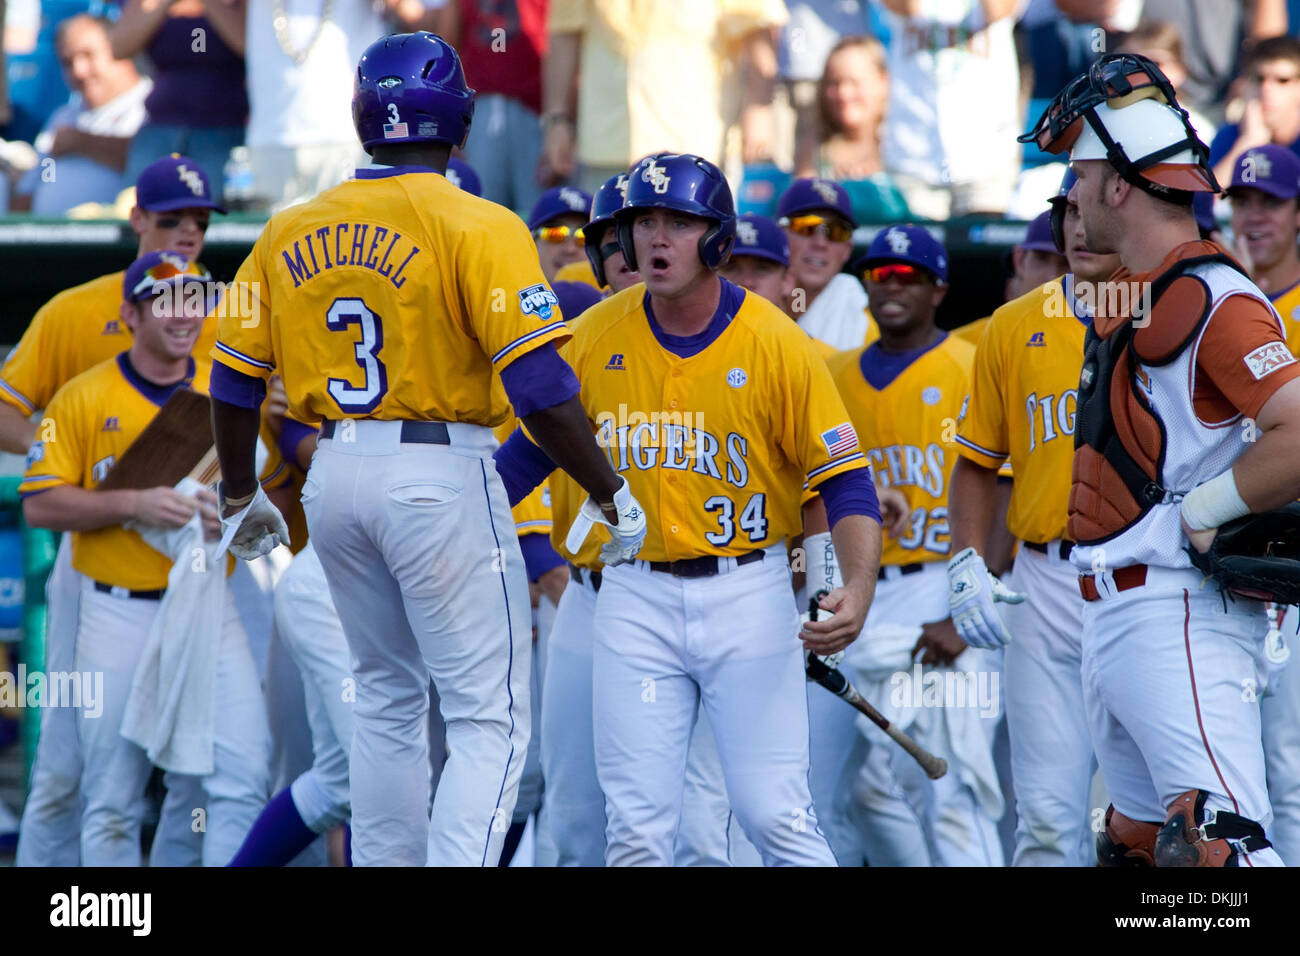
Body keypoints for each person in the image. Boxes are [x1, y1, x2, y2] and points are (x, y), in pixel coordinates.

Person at [209, 32, 644, 867]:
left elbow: (231, 380)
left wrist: (238, 491)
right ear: (460, 122)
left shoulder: (291, 224)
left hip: (334, 474)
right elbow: (542, 390)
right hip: (439, 468)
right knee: (490, 716)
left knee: (384, 700)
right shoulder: (478, 220)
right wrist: (608, 489)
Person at [496, 152, 883, 866]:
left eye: (679, 220)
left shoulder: (776, 342)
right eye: (644, 219)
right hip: (632, 593)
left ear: (718, 238)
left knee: (775, 817)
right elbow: (522, 460)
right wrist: (442, 528)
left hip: (748, 591)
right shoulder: (593, 335)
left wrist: (854, 586)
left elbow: (847, 482)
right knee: (636, 832)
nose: (656, 236)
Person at [1023, 52, 1300, 866]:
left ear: (1118, 183)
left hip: (1177, 609)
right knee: (1145, 850)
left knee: (1223, 850)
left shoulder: (1214, 294)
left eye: (1078, 176)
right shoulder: (1137, 291)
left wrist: (1202, 512)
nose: (1068, 197)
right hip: (1118, 609)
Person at [7, 153, 226, 869]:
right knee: (72, 763)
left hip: (198, 556)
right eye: (171, 220)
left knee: (209, 762)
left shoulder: (221, 313)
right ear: (137, 219)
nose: (186, 233)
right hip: (99, 546)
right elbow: (7, 411)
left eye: (199, 221)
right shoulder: (78, 308)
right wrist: (79, 462)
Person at [19, 251, 271, 866]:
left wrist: (232, 509)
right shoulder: (81, 397)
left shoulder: (227, 388)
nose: (185, 314)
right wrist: (135, 501)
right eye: (166, 300)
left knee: (238, 777)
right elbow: (40, 507)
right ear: (130, 313)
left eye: (195, 298)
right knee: (111, 795)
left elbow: (262, 495)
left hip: (211, 604)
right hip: (116, 610)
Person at [949, 167, 1118, 866]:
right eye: (1066, 213)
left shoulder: (1177, 310)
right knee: (1046, 821)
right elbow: (977, 461)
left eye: (1090, 211)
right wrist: (966, 564)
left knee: (1149, 819)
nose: (1078, 227)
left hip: (1144, 579)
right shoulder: (1014, 324)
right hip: (1043, 578)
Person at [822, 225, 1005, 866]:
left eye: (908, 277)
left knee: (951, 787)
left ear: (939, 289)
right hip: (862, 593)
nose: (891, 286)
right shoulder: (834, 373)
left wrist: (964, 610)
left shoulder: (968, 363)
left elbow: (1003, 490)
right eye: (880, 275)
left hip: (943, 585)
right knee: (872, 788)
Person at [1221, 143, 1300, 866]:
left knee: (1290, 767)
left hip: (1295, 558)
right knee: (1234, 766)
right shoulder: (1217, 303)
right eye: (1242, 201)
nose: (1254, 215)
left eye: (1269, 202)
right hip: (1231, 559)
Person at [539, 0, 788, 193]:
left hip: (695, 146)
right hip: (606, 146)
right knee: (607, 250)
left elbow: (758, 26)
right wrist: (557, 119)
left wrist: (759, 111)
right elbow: (564, 32)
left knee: (702, 247)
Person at [876, 0, 1022, 219]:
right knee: (916, 249)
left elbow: (997, 9)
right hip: (915, 155)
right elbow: (906, 7)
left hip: (987, 154)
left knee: (983, 250)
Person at [10, 13, 151, 214]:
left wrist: (82, 143)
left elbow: (152, 168)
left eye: (88, 55)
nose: (78, 71)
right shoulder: (63, 116)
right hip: (48, 240)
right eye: (67, 62)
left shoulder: (151, 106)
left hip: (117, 241)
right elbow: (29, 189)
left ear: (121, 50)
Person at [110, 0, 248, 201]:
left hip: (222, 134)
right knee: (142, 212)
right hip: (159, 132)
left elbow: (245, 42)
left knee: (211, 218)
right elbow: (120, 46)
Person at [432, 0, 547, 212]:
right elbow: (445, 48)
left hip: (537, 108)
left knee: (537, 213)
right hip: (479, 109)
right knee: (481, 207)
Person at [804, 34, 908, 223]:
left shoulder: (907, 144)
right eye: (834, 83)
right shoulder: (811, 151)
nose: (844, 93)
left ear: (882, 82)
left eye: (854, 82)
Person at [775, 177, 877, 350]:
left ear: (847, 249)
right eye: (806, 227)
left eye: (837, 232)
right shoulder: (747, 293)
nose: (820, 243)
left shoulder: (865, 323)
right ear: (779, 235)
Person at [1209, 35, 1300, 191]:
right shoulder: (1229, 136)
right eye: (1259, 79)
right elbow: (1205, 205)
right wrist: (1248, 142)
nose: (1266, 90)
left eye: (1282, 80)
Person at [528, 185, 592, 284]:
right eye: (555, 234)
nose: (570, 249)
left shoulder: (621, 299)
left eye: (583, 237)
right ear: (532, 243)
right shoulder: (504, 297)